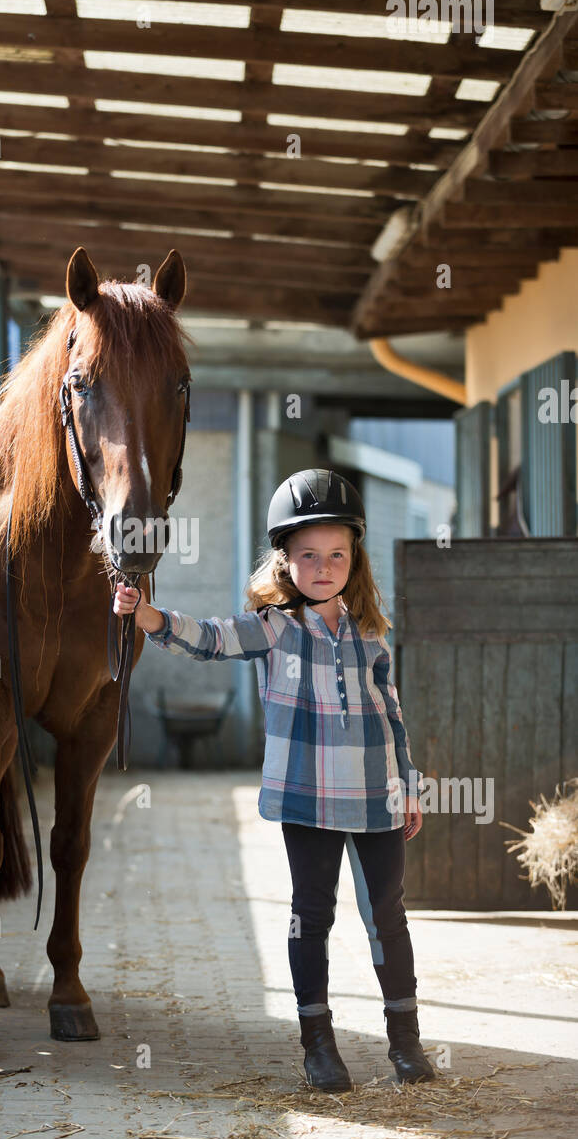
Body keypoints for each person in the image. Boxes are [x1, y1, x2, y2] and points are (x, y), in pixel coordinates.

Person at [113, 467, 435, 1094]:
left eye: (337, 554)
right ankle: (318, 1044)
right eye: (309, 555)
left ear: (353, 559)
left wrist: (411, 784)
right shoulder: (274, 628)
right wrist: (148, 617)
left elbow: (392, 714)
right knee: (311, 917)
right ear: (286, 561)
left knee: (388, 917)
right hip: (307, 798)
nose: (324, 566)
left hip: (377, 796)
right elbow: (208, 639)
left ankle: (406, 1042)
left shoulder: (371, 634)